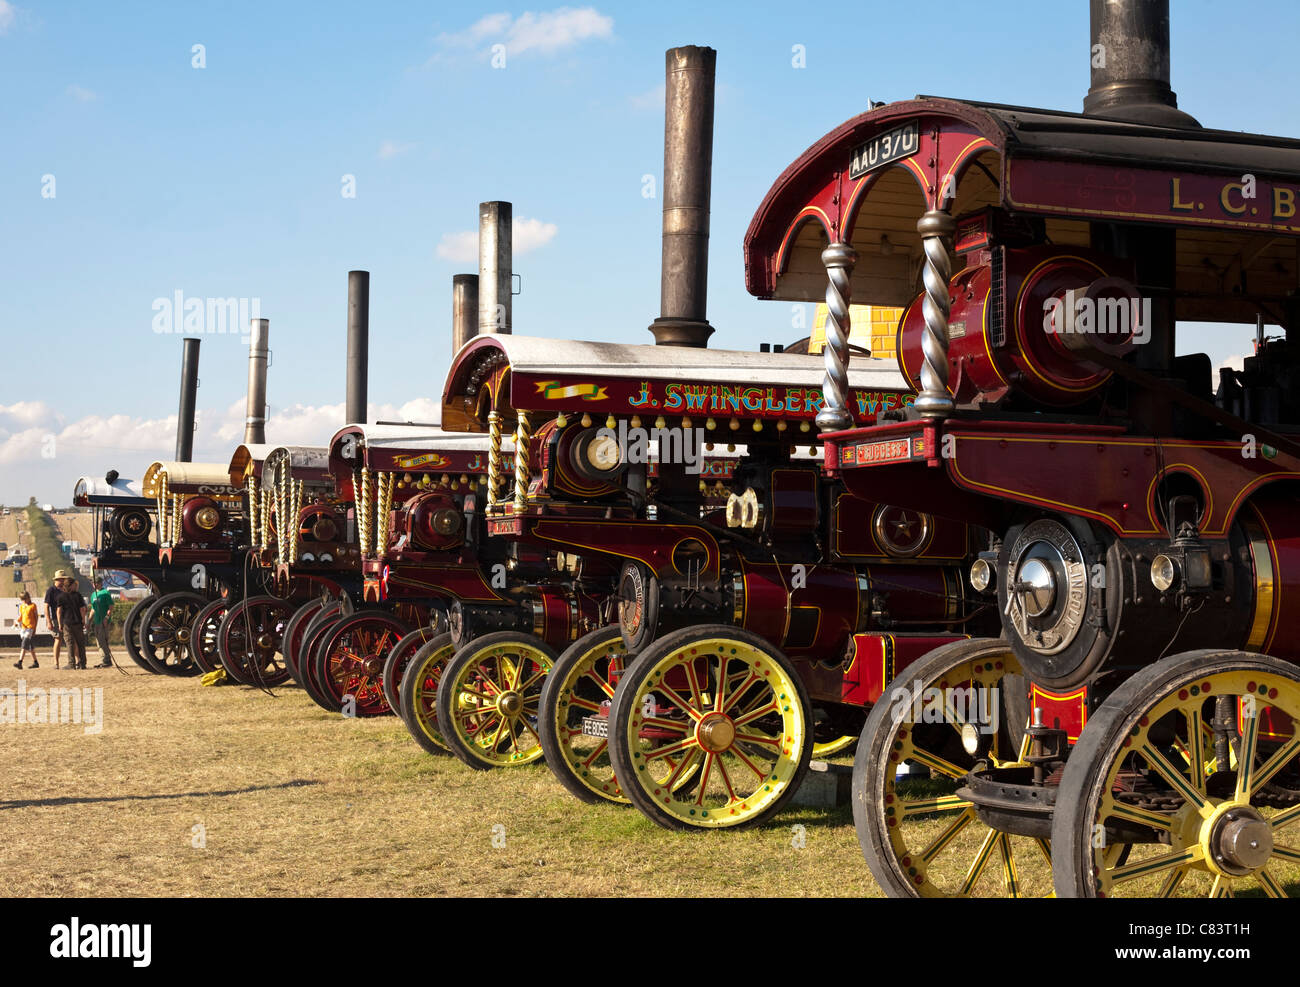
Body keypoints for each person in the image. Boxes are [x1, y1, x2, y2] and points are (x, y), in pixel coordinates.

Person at [53, 571, 88, 670]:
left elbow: (59, 611)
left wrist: (60, 624)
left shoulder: (60, 597)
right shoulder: (78, 595)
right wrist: (83, 620)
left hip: (67, 623)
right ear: (71, 586)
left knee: (70, 643)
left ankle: (71, 664)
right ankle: (83, 663)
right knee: (81, 643)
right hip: (78, 622)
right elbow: (82, 609)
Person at [87, 576, 115, 668]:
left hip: (104, 621)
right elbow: (93, 609)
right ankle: (104, 659)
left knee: (102, 641)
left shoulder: (105, 593)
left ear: (100, 583)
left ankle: (107, 660)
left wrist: (106, 618)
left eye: (96, 583)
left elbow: (111, 607)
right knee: (99, 642)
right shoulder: (93, 595)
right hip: (97, 621)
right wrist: (89, 621)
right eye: (93, 583)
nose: (94, 585)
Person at [13, 590, 39, 669]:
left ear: (28, 598)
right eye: (22, 599)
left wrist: (34, 628)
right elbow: (21, 616)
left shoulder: (33, 606)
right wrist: (17, 622)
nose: (24, 601)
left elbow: (36, 617)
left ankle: (20, 662)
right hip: (23, 628)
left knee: (24, 644)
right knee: (30, 646)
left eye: (25, 599)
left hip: (30, 628)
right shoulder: (22, 606)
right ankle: (35, 662)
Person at [43, 577, 64, 669]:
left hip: (67, 618)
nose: (62, 581)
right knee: (58, 639)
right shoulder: (51, 590)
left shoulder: (65, 590)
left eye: (63, 579)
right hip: (55, 619)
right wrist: (49, 621)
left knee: (72, 640)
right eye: (61, 579)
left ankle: (77, 661)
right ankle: (56, 663)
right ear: (56, 580)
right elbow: (46, 606)